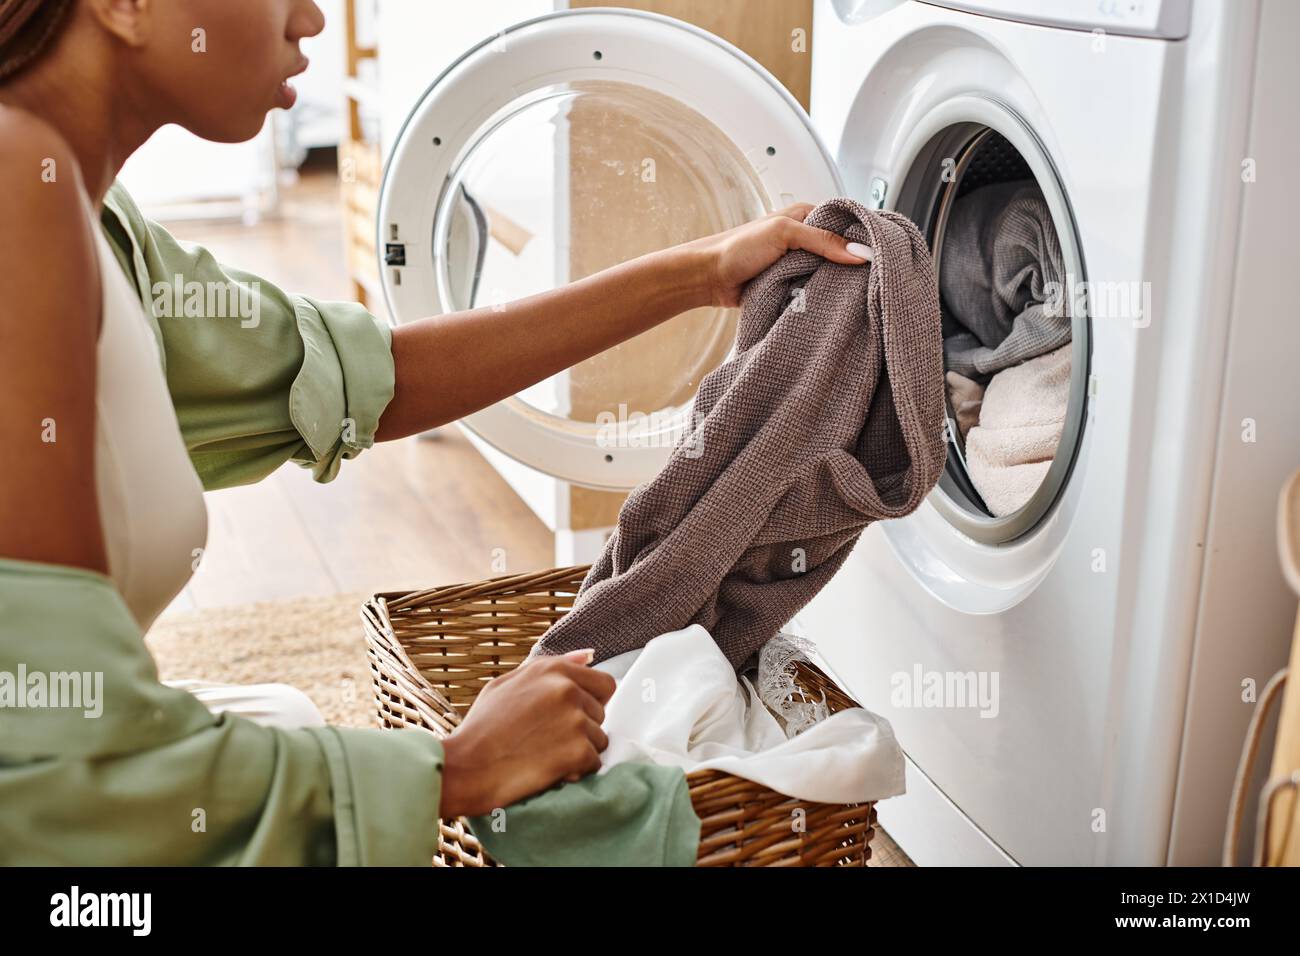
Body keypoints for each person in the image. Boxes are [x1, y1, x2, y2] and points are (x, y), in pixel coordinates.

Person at [0, 0, 871, 864]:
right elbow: (62, 773)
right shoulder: (15, 182)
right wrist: (453, 769)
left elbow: (379, 379)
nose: (308, 19)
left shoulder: (95, 222)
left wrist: (705, 270)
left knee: (298, 731)